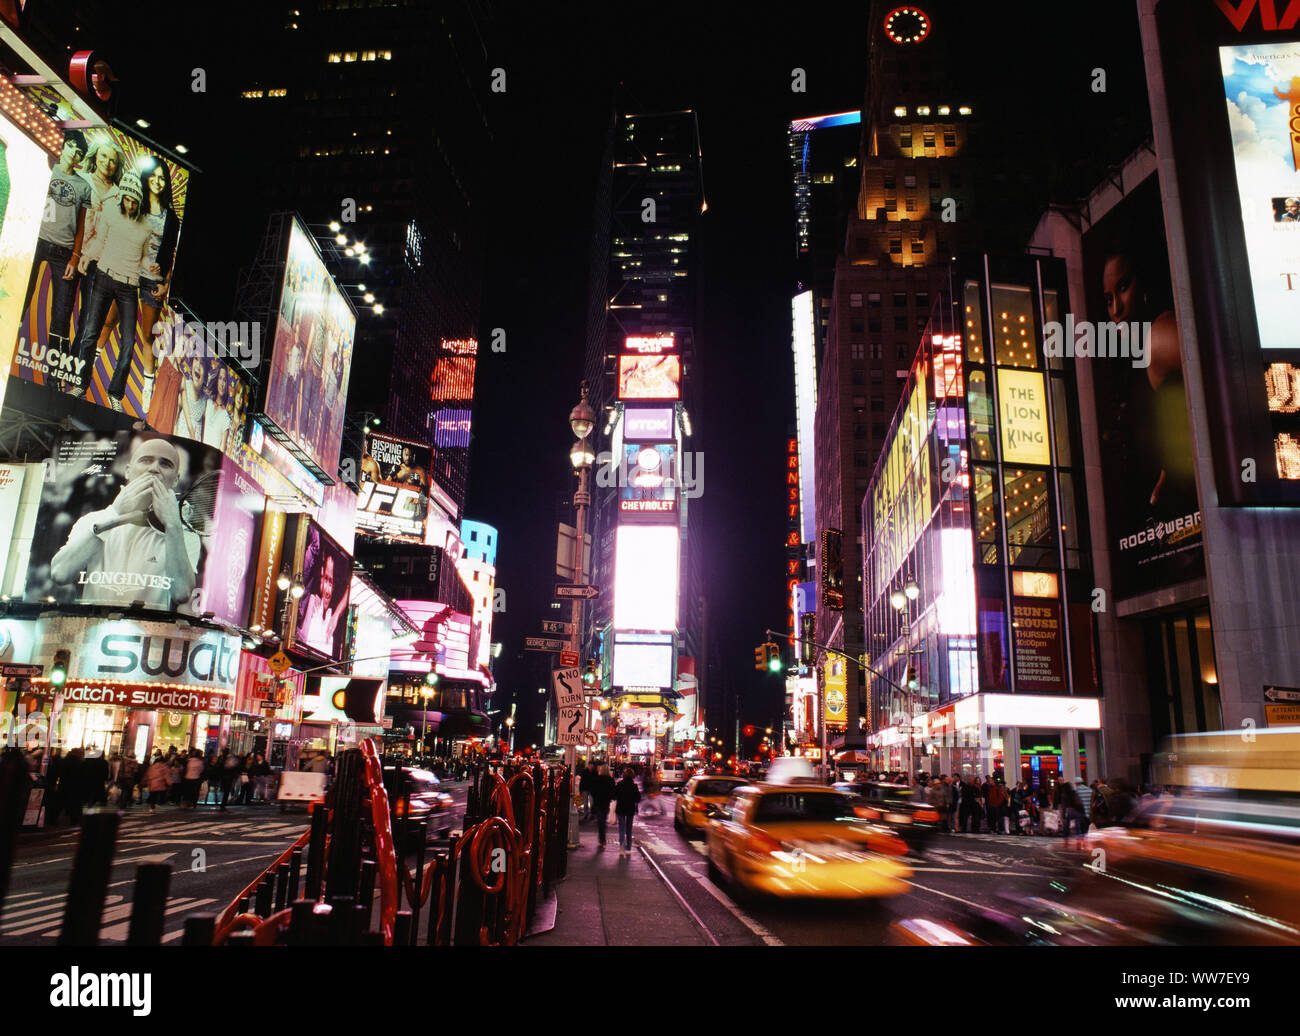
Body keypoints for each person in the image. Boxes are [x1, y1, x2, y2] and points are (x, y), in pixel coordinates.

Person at [49, 433, 202, 612]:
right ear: (128, 471)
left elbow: (182, 593)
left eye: (165, 464)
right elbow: (60, 573)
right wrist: (115, 512)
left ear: (175, 479)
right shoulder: (92, 521)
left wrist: (173, 525)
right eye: (145, 460)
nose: (154, 468)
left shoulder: (184, 535)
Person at [73, 171, 152, 410]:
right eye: (127, 199)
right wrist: (87, 256)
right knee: (90, 333)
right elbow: (99, 241)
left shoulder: (146, 227)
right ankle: (80, 384)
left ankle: (115, 394)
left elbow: (144, 258)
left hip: (129, 286)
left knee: (128, 342)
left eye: (134, 201)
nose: (130, 204)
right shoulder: (110, 213)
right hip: (104, 277)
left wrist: (152, 267)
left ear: (139, 201)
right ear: (123, 197)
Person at [21, 130, 91, 361]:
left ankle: (54, 375)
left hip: (64, 250)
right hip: (36, 239)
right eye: (71, 146)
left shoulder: (83, 187)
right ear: (63, 146)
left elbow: (81, 226)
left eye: (79, 152)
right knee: (21, 294)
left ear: (81, 159)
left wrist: (74, 257)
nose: (74, 153)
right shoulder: (47, 169)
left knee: (61, 315)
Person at [298, 552, 348, 655]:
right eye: (326, 579)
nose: (327, 590)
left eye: (332, 583)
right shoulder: (309, 602)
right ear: (321, 574)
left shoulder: (333, 617)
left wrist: (336, 615)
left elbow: (350, 586)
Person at [614, 768, 642, 856]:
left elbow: (614, 795)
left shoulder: (620, 784)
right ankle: (628, 848)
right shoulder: (634, 786)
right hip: (630, 809)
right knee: (629, 829)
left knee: (621, 828)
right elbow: (638, 799)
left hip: (621, 808)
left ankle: (621, 847)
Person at [589, 763, 615, 850]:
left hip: (598, 801)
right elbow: (613, 791)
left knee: (601, 821)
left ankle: (602, 840)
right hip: (606, 802)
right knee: (603, 820)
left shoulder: (597, 779)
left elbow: (592, 790)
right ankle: (602, 840)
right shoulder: (610, 780)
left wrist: (596, 796)